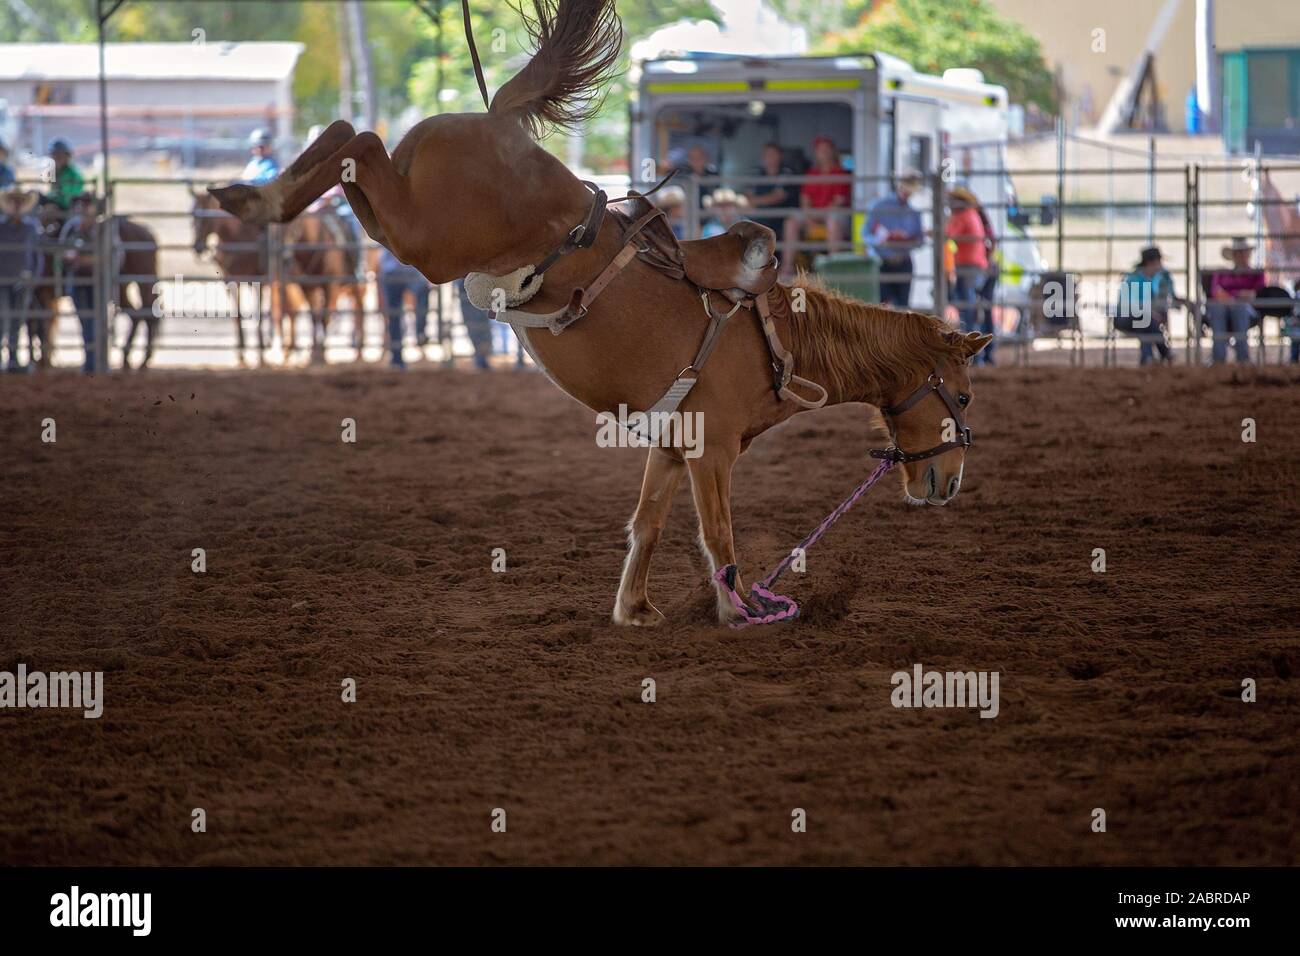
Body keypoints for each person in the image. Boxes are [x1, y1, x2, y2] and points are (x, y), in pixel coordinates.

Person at [864, 170, 924, 308]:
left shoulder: (914, 213)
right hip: (884, 263)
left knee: (903, 308)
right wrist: (881, 241)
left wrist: (907, 239)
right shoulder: (879, 206)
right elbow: (866, 234)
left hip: (904, 263)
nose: (908, 194)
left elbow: (920, 240)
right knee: (885, 307)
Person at [1118, 246, 1183, 365]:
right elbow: (1131, 307)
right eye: (1158, 262)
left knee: (1146, 324)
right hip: (1126, 318)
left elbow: (1172, 296)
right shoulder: (1133, 279)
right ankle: (1164, 353)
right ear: (1150, 263)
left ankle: (1148, 358)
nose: (1160, 265)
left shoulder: (1162, 277)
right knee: (1146, 320)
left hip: (1148, 318)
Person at [945, 187, 989, 362]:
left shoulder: (962, 216)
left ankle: (973, 352)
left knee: (966, 308)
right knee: (968, 306)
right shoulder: (972, 213)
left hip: (968, 266)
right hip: (975, 265)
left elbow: (947, 234)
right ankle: (978, 353)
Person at [57, 193, 100, 373]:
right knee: (86, 321)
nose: (81, 209)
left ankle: (95, 360)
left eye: (85, 205)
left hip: (97, 282)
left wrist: (83, 260)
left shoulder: (101, 228)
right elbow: (61, 252)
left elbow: (111, 256)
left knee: (95, 321)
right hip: (79, 281)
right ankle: (92, 361)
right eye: (79, 205)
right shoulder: (72, 228)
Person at [793, 135, 850, 265]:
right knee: (791, 222)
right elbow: (805, 199)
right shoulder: (811, 173)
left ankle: (833, 264)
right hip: (813, 215)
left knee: (833, 220)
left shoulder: (841, 173)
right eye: (819, 150)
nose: (822, 153)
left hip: (832, 215)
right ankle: (787, 267)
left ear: (832, 152)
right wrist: (808, 217)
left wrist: (818, 217)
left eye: (826, 149)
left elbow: (838, 202)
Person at [0, 188, 40, 372]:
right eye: (13, 201)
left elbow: (37, 255)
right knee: (3, 320)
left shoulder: (31, 227)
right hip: (2, 280)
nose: (15, 205)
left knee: (18, 321)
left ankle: (13, 359)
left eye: (19, 201)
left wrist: (35, 277)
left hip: (23, 280)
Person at [1206, 237, 1264, 364]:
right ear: (1233, 255)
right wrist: (1238, 295)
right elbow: (1215, 292)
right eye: (1238, 253)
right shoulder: (1221, 273)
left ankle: (1243, 358)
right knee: (1217, 309)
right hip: (1223, 307)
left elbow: (1257, 294)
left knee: (1240, 308)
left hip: (1246, 309)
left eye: (1244, 252)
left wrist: (1231, 296)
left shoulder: (1257, 273)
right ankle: (1218, 359)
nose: (1242, 255)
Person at [378, 246, 430, 369]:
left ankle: (420, 332)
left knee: (423, 292)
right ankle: (397, 356)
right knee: (394, 315)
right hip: (394, 271)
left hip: (410, 271)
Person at [746, 143, 797, 262]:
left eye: (773, 154)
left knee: (790, 224)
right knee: (745, 221)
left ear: (780, 156)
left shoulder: (786, 172)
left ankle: (786, 267)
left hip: (781, 217)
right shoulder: (756, 173)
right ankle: (751, 266)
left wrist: (757, 200)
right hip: (760, 216)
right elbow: (748, 197)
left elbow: (778, 196)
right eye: (766, 154)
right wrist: (759, 201)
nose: (769, 157)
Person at [41, 139, 86, 211]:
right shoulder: (55, 172)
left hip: (67, 208)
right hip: (56, 204)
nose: (55, 158)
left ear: (67, 156)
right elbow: (53, 192)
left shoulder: (73, 174)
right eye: (54, 155)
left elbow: (70, 197)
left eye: (59, 155)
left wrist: (53, 199)